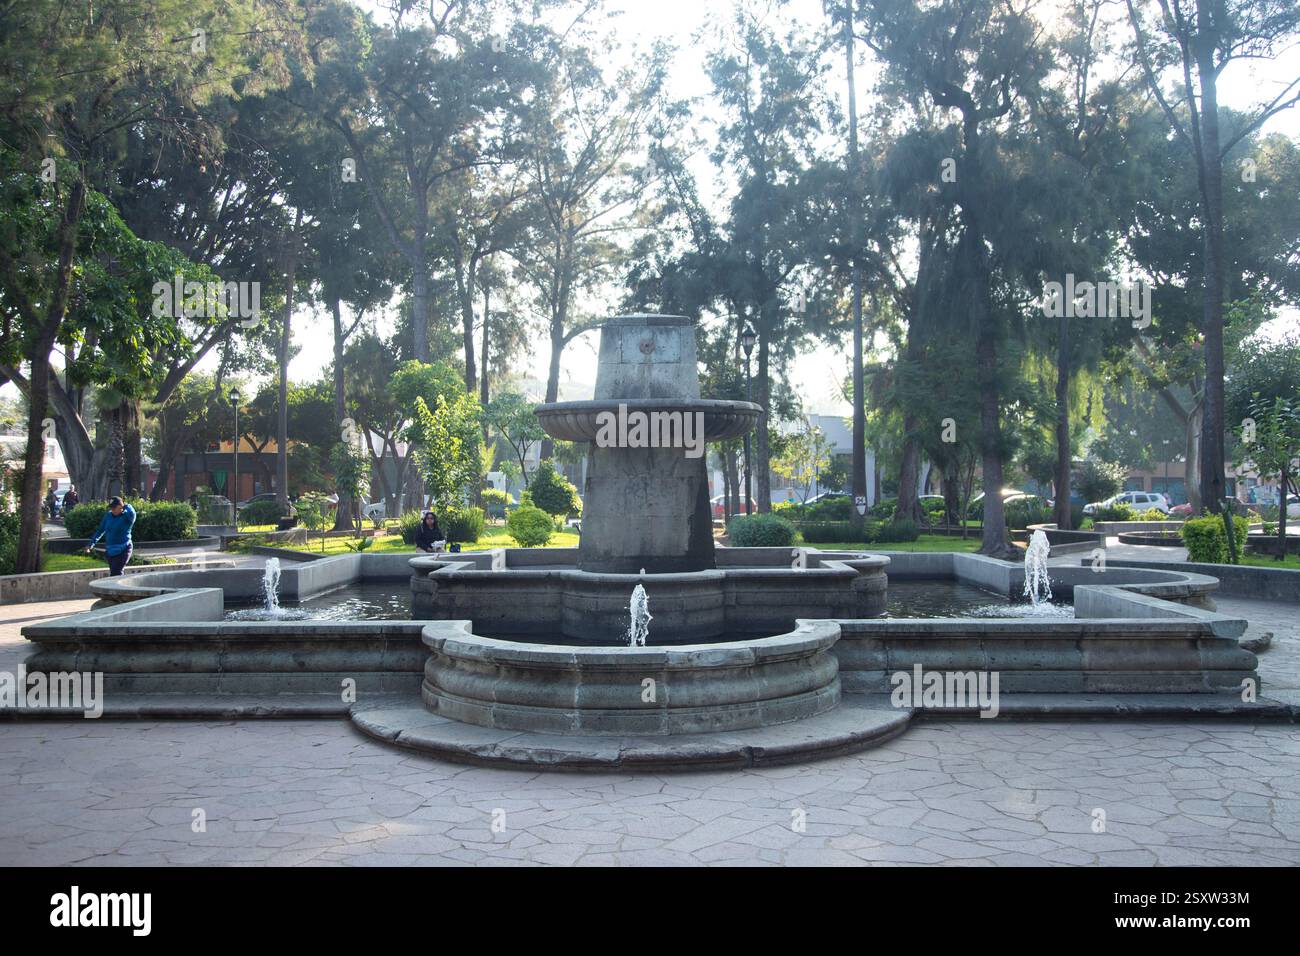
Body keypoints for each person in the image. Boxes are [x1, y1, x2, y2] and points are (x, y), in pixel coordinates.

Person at [85, 496, 136, 576]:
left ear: (120, 507)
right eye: (110, 508)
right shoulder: (108, 516)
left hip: (124, 549)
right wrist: (91, 544)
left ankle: (115, 588)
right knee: (114, 572)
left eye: (113, 508)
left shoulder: (127, 517)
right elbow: (100, 530)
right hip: (110, 550)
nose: (111, 510)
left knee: (116, 572)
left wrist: (126, 505)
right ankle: (119, 587)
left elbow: (132, 513)